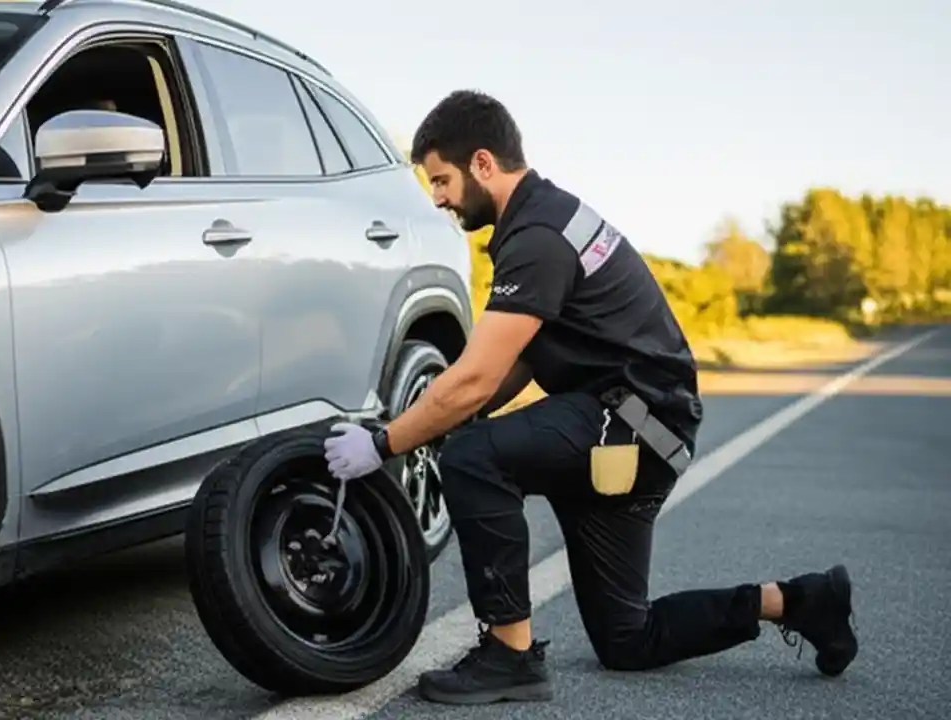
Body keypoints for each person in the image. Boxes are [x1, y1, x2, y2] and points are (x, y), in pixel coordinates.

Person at [322, 89, 857, 706]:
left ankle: (509, 655)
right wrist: (441, 418)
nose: (438, 197)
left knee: (472, 456)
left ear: (483, 164)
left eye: (441, 180)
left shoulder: (539, 236)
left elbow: (472, 378)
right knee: (627, 639)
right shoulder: (544, 220)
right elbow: (517, 362)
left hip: (628, 425)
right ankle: (801, 599)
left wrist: (385, 440)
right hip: (640, 431)